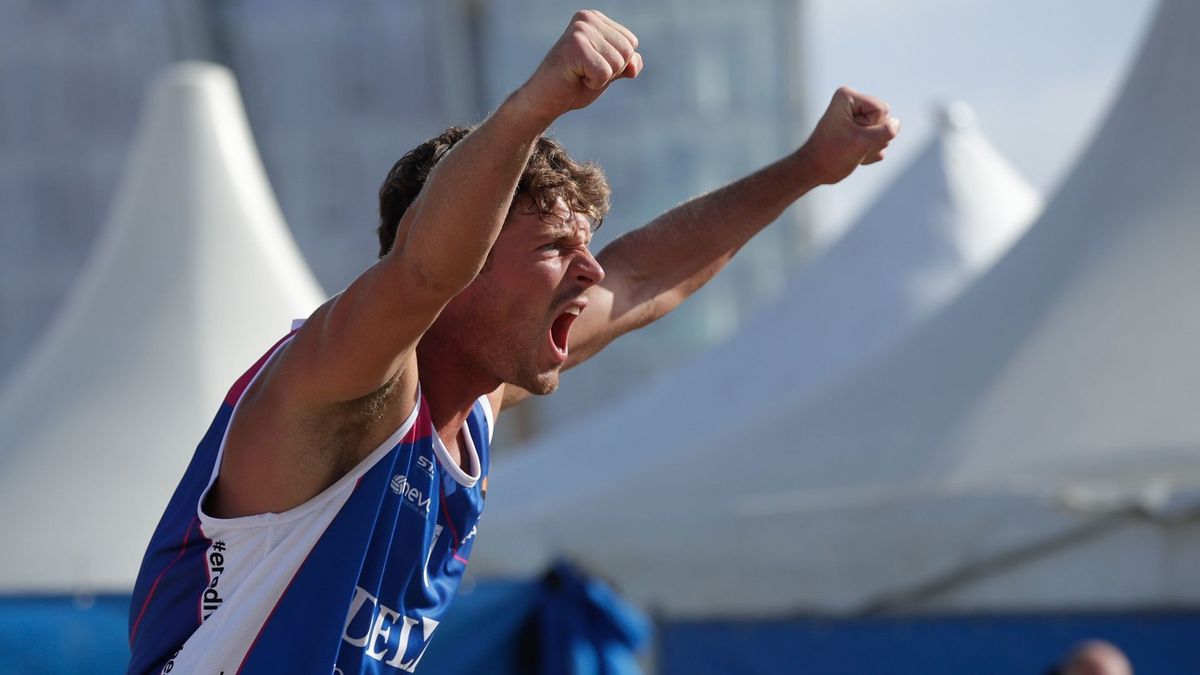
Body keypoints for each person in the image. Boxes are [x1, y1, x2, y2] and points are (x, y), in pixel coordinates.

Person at [127, 9, 898, 674]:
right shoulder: (343, 383)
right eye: (555, 248)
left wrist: (806, 168)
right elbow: (423, 271)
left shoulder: (477, 402)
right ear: (467, 264)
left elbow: (636, 281)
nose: (588, 269)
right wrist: (534, 107)